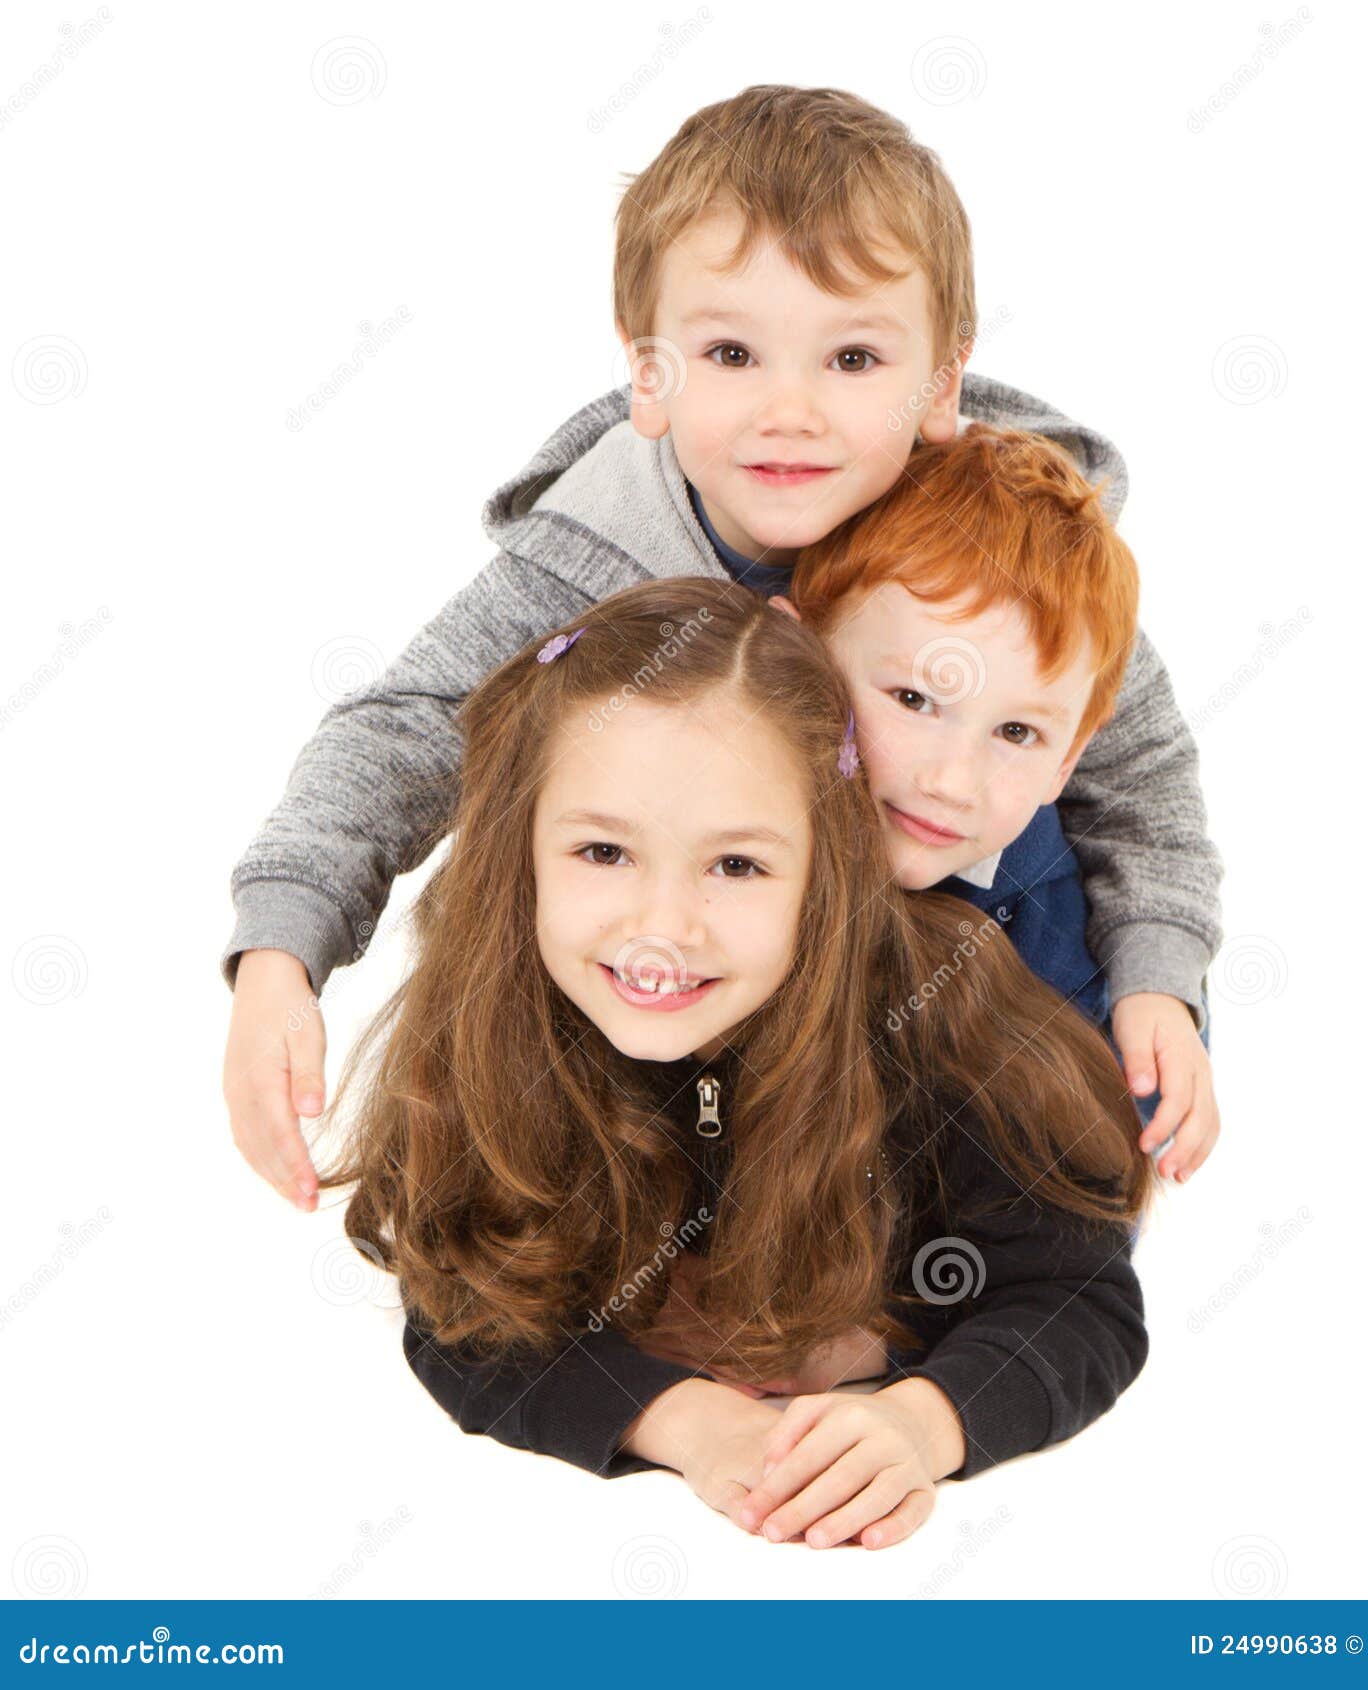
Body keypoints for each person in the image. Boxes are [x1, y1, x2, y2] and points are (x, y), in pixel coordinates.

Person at [221, 84, 1223, 1218]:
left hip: (983, 956)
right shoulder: (595, 561)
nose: (788, 410)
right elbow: (404, 731)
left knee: (1029, 1172)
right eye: (732, 353)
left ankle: (977, 1274)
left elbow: (1135, 778)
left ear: (938, 382)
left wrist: (1159, 982)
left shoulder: (1011, 558)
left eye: (851, 360)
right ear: (649, 373)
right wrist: (281, 953)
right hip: (714, 965)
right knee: (559, 819)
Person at [312, 579, 1151, 1551]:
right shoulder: (500, 1027)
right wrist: (688, 1421)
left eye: (737, 866)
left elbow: (1076, 1299)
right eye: (601, 850)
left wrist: (924, 1421)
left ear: (825, 868)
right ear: (521, 857)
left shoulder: (945, 1027)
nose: (663, 928)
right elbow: (460, 1294)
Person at [782, 421, 1219, 1180]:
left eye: (1016, 732)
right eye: (913, 699)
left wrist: (1155, 994)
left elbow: (1074, 1239)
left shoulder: (1063, 963)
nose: (952, 781)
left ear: (1070, 762)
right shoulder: (716, 865)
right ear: (796, 656)